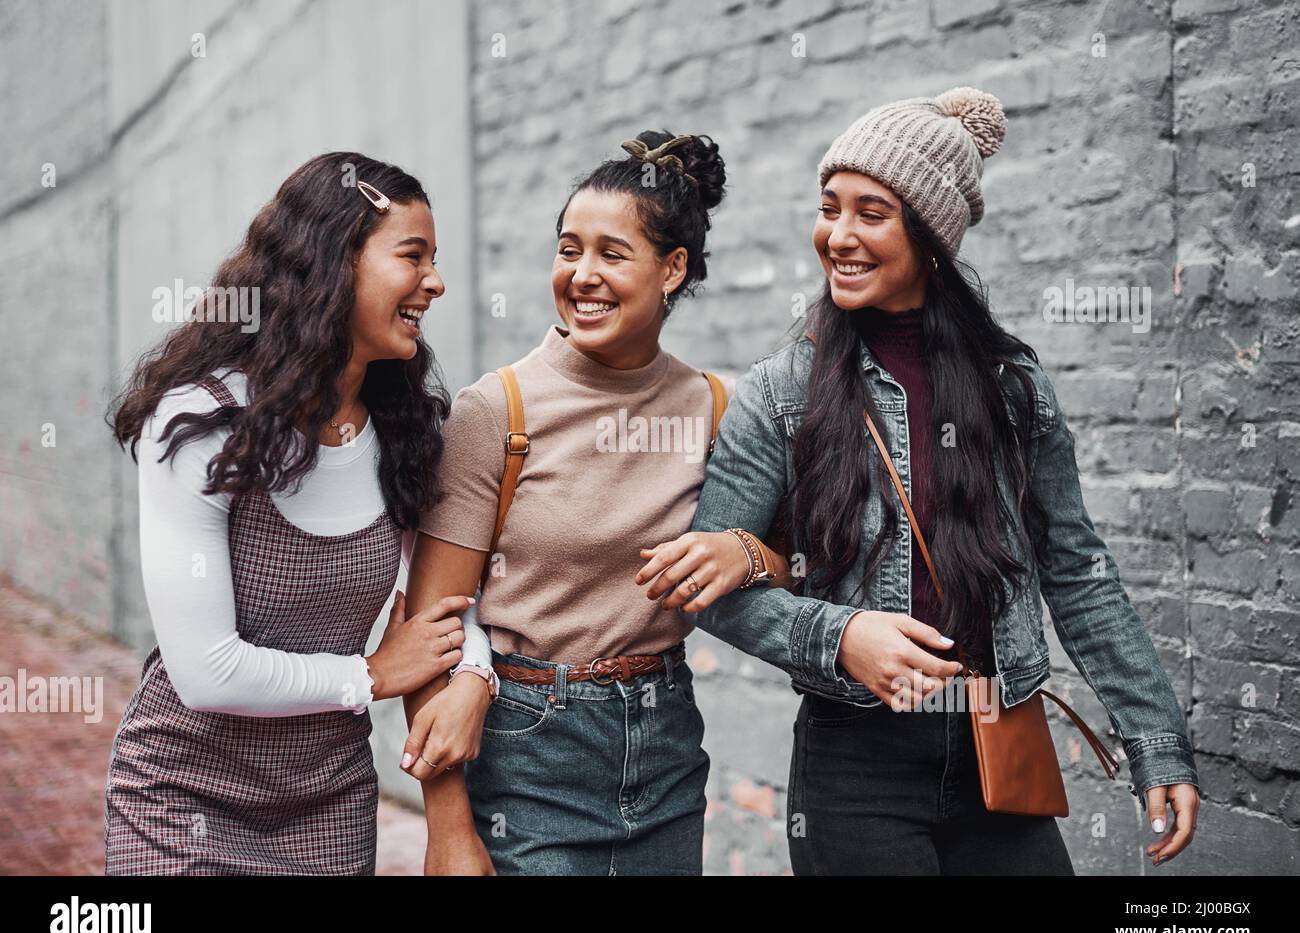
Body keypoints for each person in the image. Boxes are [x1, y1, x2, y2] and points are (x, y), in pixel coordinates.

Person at [654, 88, 1201, 874]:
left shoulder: (1013, 389)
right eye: (828, 207)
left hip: (997, 744)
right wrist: (841, 637)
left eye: (870, 213)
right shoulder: (781, 392)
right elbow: (710, 585)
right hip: (856, 767)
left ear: (930, 235)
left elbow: (1076, 571)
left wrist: (1156, 743)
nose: (837, 235)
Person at [398, 131, 797, 875]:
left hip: (667, 745)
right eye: (567, 249)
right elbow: (432, 629)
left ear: (672, 268)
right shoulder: (499, 410)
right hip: (525, 748)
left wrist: (746, 552)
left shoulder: (717, 408)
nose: (582, 275)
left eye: (612, 254)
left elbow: (806, 559)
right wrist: (447, 830)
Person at [104, 152, 471, 874]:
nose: (436, 282)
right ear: (334, 261)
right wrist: (367, 676)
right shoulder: (202, 421)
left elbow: (450, 598)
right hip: (182, 799)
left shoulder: (404, 430)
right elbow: (207, 670)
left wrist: (477, 680)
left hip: (329, 803)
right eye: (413, 255)